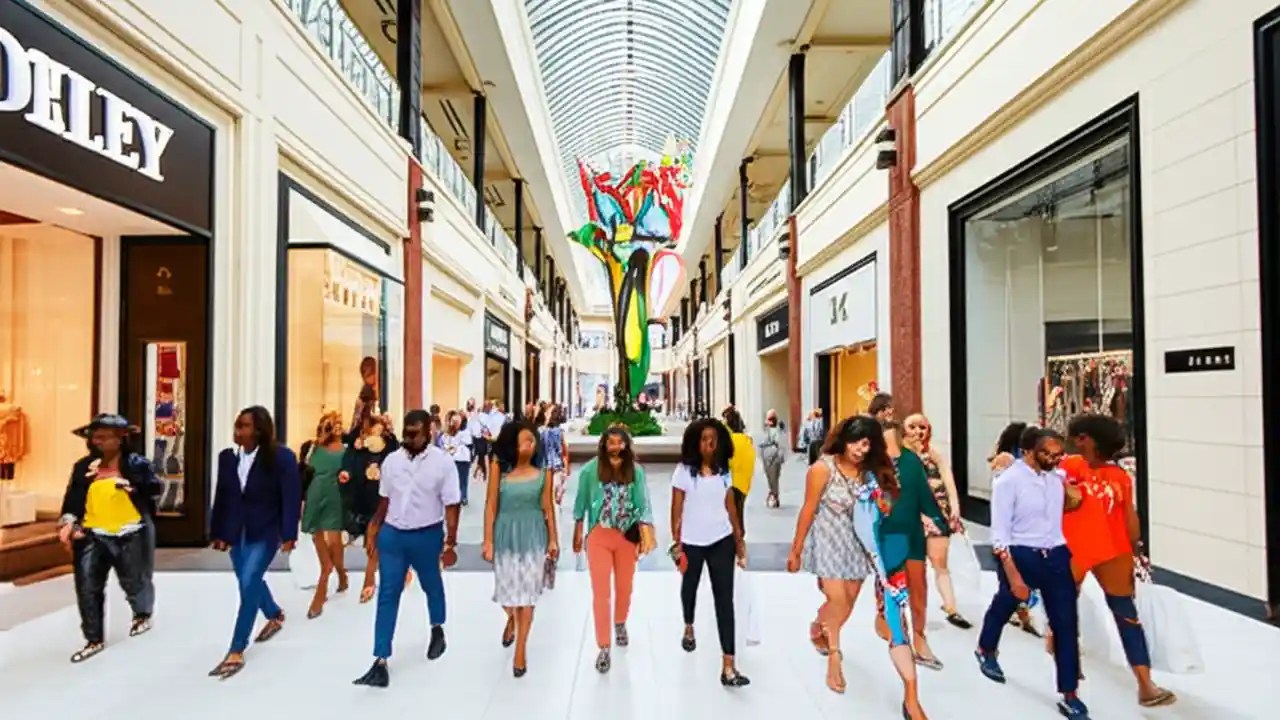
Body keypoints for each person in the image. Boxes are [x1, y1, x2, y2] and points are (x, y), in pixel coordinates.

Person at [790, 415, 929, 718]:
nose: (860, 449)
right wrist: (796, 549)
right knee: (838, 599)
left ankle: (820, 625)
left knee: (846, 604)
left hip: (857, 547)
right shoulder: (821, 469)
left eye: (867, 443)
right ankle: (835, 656)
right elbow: (808, 509)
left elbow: (885, 510)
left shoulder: (871, 474)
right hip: (827, 542)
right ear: (843, 440)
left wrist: (886, 505)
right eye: (855, 441)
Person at [1058, 414, 1175, 708]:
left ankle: (1145, 684)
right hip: (1078, 549)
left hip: (1111, 550)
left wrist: (1136, 549)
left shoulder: (1118, 476)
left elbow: (1129, 516)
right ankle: (1068, 674)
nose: (1075, 442)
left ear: (1089, 439)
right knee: (1066, 613)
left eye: (1079, 437)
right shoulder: (1069, 467)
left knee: (1126, 616)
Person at [974, 427, 1089, 719]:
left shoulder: (1057, 478)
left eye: (1058, 454)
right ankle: (986, 649)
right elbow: (999, 534)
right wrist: (1013, 574)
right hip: (1020, 553)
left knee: (1066, 622)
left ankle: (1069, 693)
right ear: (1028, 451)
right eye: (1047, 453)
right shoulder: (1008, 481)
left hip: (1056, 554)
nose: (1054, 458)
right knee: (1006, 601)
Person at [352, 412, 461, 688]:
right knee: (388, 593)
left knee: (431, 585)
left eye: (416, 433)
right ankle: (380, 659)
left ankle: (437, 628)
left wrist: (451, 542)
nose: (410, 438)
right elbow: (385, 500)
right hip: (394, 535)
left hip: (427, 534)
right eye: (407, 433)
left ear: (429, 432)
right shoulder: (392, 461)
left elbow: (451, 504)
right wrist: (374, 528)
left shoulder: (443, 463)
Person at [207, 406, 301, 679]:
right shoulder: (227, 458)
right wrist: (219, 533)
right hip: (237, 531)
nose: (238, 431)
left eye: (244, 426)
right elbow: (222, 497)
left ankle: (236, 648)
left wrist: (288, 534)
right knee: (247, 580)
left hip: (266, 530)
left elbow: (291, 497)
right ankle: (274, 613)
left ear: (258, 430)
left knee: (249, 582)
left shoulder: (281, 458)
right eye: (237, 425)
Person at [58, 414, 161, 662]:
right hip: (93, 532)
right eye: (95, 437)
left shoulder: (136, 463)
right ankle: (93, 638)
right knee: (87, 586)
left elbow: (155, 488)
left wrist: (131, 484)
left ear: (120, 439)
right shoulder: (84, 467)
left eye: (105, 437)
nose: (99, 442)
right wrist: (69, 522)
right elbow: (73, 497)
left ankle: (142, 613)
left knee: (134, 579)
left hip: (129, 530)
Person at [670, 418, 749, 687]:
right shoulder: (683, 472)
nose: (709, 444)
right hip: (691, 541)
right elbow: (676, 510)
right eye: (704, 439)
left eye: (713, 439)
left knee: (725, 600)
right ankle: (689, 625)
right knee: (689, 586)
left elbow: (731, 506)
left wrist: (739, 539)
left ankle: (729, 665)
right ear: (695, 442)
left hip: (721, 539)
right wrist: (677, 542)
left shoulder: (724, 471)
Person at [572, 426, 656, 673]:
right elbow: (580, 504)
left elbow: (644, 505)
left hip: (627, 536)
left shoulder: (636, 473)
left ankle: (620, 621)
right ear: (603, 445)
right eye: (611, 442)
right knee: (601, 592)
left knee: (624, 587)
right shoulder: (590, 471)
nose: (616, 447)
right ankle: (604, 646)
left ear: (627, 446)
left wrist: (646, 531)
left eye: (620, 443)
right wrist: (577, 531)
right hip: (599, 535)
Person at [483, 420, 558, 677]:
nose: (530, 444)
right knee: (506, 594)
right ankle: (512, 618)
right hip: (505, 536)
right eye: (525, 439)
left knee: (526, 596)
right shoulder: (498, 469)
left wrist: (553, 540)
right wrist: (488, 540)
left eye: (533, 440)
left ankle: (520, 651)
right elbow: (491, 504)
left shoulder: (544, 472)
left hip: (533, 537)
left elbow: (548, 508)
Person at [902, 413, 971, 629]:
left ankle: (951, 607)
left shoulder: (934, 455)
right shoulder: (900, 457)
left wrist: (955, 510)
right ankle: (906, 609)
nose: (917, 432)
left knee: (940, 563)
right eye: (912, 427)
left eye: (922, 427)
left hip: (937, 515)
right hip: (910, 519)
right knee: (911, 566)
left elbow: (948, 482)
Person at [988, 421, 1040, 636]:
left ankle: (1022, 611)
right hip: (1013, 528)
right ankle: (1020, 612)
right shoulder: (1009, 461)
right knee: (1011, 575)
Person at [344, 410, 399, 603]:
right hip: (363, 499)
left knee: (373, 539)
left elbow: (397, 456)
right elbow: (350, 464)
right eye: (372, 430)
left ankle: (369, 578)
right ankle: (402, 568)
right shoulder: (359, 449)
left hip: (383, 500)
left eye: (380, 430)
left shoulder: (389, 448)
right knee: (373, 542)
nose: (375, 434)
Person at [299, 410, 349, 618]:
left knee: (335, 540)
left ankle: (326, 580)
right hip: (315, 495)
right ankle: (333, 571)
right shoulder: (311, 447)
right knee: (317, 536)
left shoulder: (346, 451)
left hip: (335, 495)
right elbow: (302, 471)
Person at [723, 408, 755, 538]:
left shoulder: (730, 441)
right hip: (744, 482)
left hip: (732, 481)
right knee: (739, 510)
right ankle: (740, 535)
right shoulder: (747, 440)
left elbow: (727, 461)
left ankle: (737, 537)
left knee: (733, 513)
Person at [440, 411, 473, 506]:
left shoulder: (465, 432)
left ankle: (463, 497)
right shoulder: (447, 434)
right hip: (453, 459)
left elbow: (468, 444)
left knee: (463, 479)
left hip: (463, 458)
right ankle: (457, 497)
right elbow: (445, 443)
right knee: (455, 479)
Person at [540, 405, 569, 507]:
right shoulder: (559, 432)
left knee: (548, 493)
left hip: (545, 466)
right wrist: (566, 467)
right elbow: (562, 451)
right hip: (557, 465)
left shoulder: (542, 432)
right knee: (557, 492)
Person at [758, 409, 786, 509]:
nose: (768, 421)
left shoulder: (778, 431)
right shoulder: (767, 430)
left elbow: (780, 444)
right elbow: (762, 442)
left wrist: (780, 457)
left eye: (770, 419)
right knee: (770, 478)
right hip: (767, 458)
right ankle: (773, 494)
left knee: (774, 478)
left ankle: (775, 496)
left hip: (775, 458)